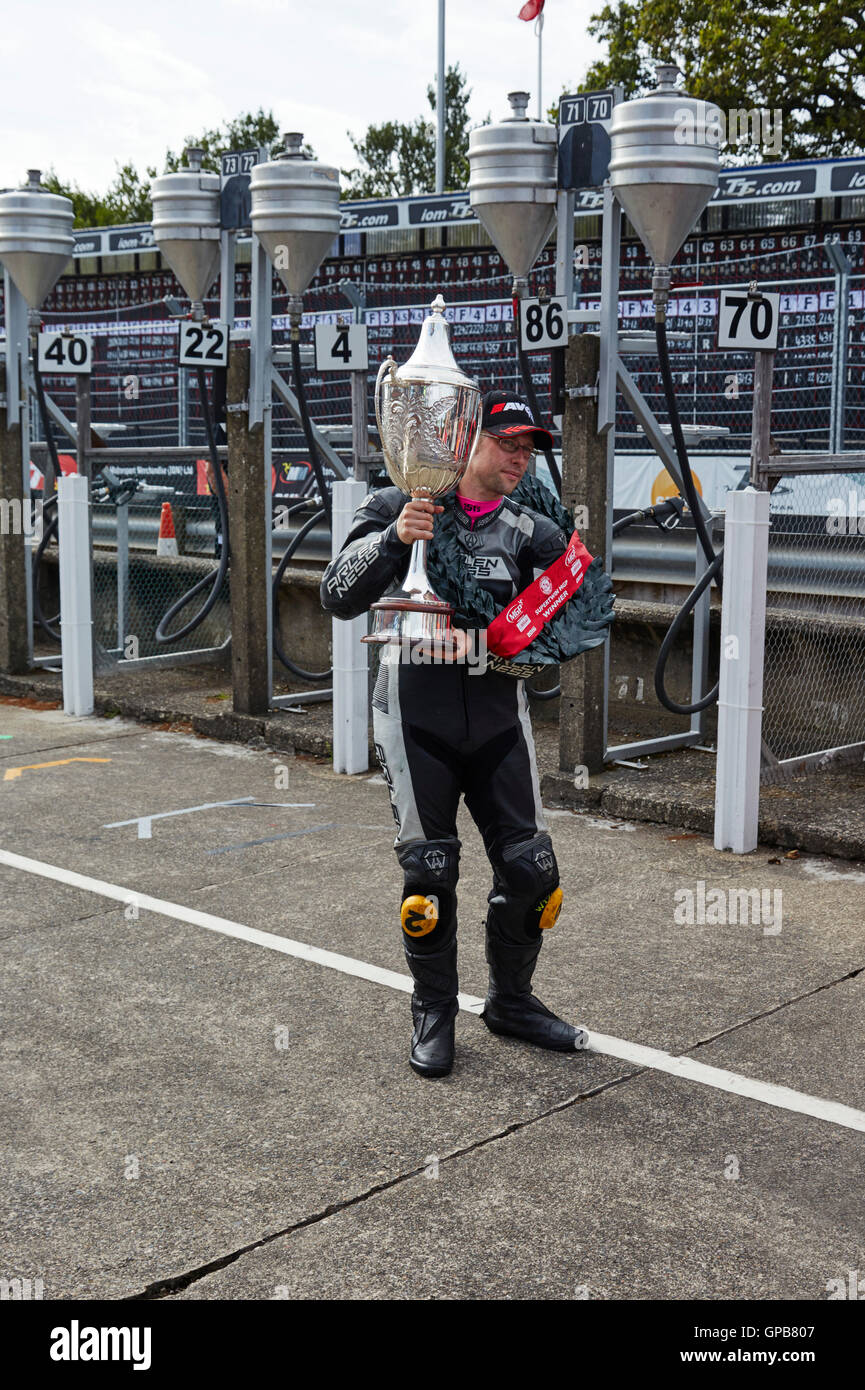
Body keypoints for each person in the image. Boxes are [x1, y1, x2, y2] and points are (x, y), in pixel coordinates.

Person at [321, 390, 588, 1078]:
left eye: (529, 449)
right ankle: (433, 1009)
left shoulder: (533, 528)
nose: (520, 459)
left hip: (498, 717)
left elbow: (575, 619)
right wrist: (393, 540)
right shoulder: (394, 504)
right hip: (415, 715)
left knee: (533, 871)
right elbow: (335, 594)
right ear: (464, 440)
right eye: (508, 444)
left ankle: (512, 1003)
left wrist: (517, 650)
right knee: (428, 875)